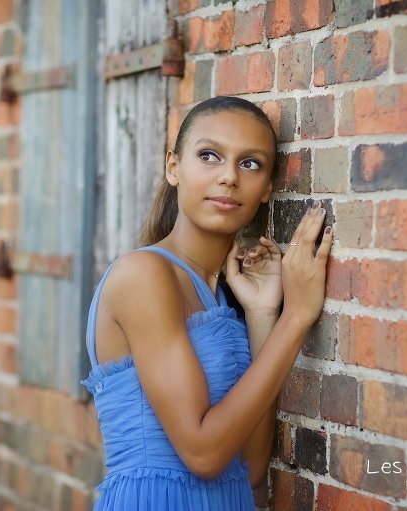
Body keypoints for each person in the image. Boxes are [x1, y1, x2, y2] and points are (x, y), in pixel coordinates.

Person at [81, 95, 332, 510]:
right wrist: (297, 317)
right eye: (209, 156)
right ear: (173, 167)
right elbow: (204, 455)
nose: (229, 177)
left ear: (268, 187)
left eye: (250, 163)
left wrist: (264, 314)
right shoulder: (143, 274)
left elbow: (249, 466)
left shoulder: (217, 294)